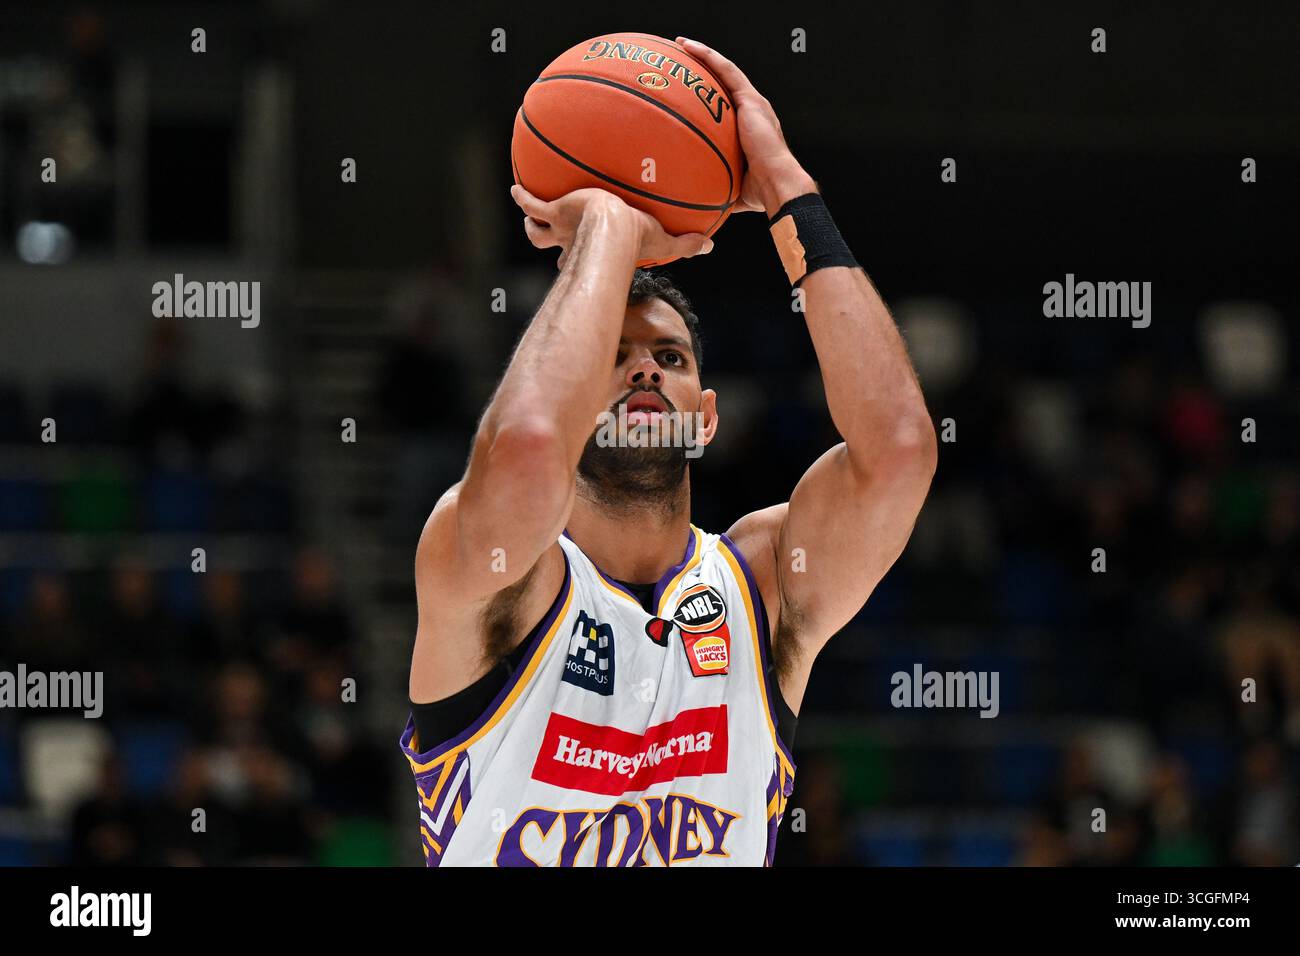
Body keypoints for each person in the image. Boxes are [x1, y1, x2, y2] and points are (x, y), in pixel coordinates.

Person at [401, 37, 936, 866]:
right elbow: (532, 445)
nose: (645, 369)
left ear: (707, 417)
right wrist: (608, 226)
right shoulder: (501, 577)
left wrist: (787, 188)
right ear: (573, 392)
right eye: (614, 356)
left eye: (671, 358)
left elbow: (899, 448)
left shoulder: (765, 586)